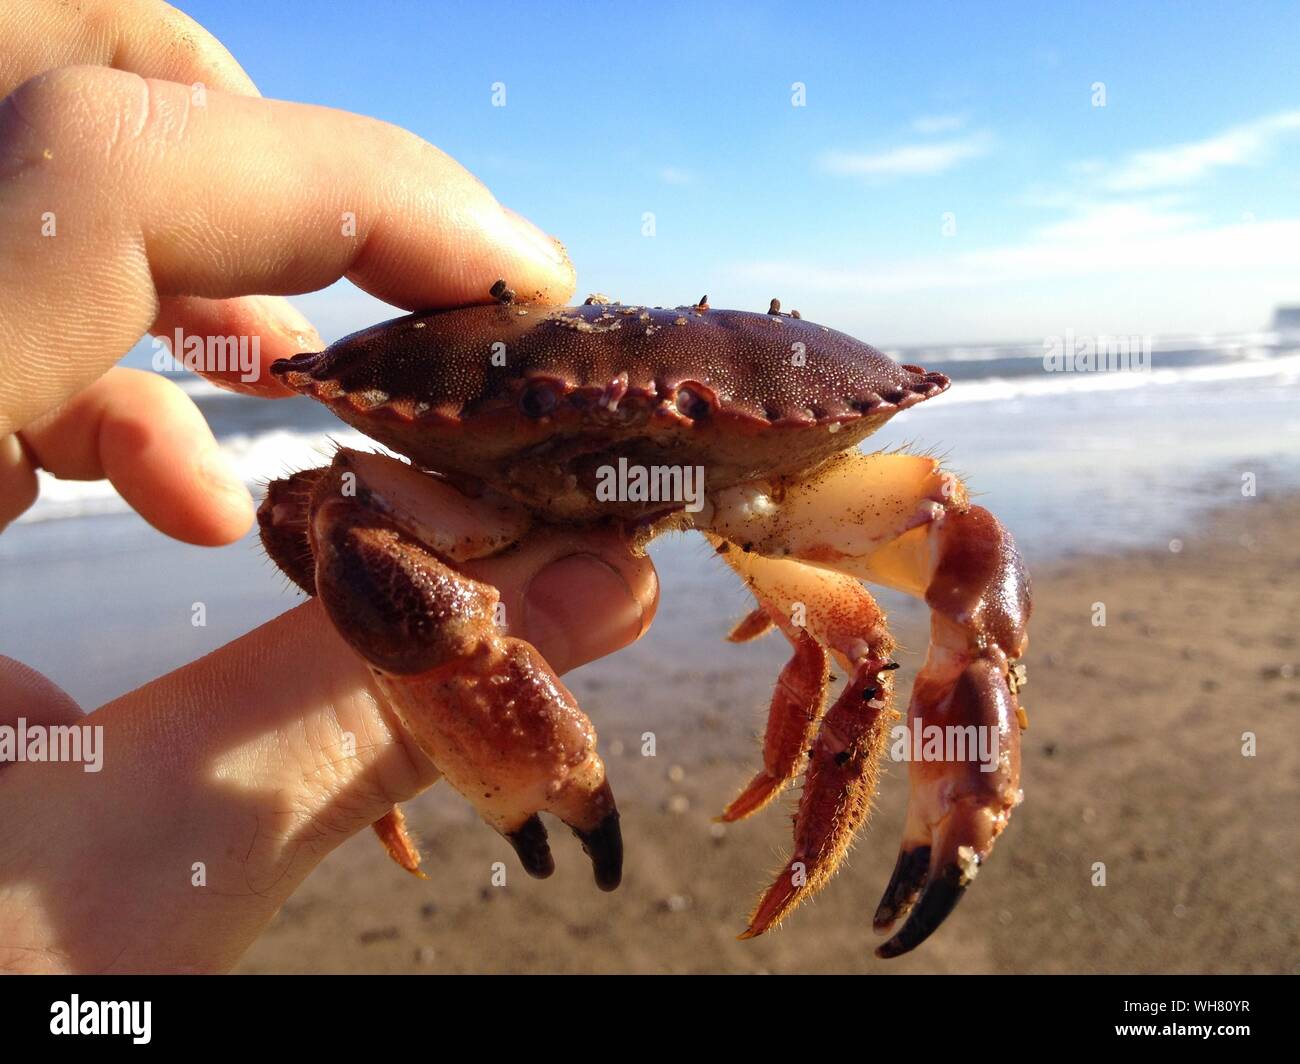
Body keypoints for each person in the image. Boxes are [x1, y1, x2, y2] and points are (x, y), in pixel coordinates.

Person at [0, 0, 658, 974]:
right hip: (471, 509)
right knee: (321, 511)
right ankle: (417, 696)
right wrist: (402, 646)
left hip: (670, 497)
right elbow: (325, 517)